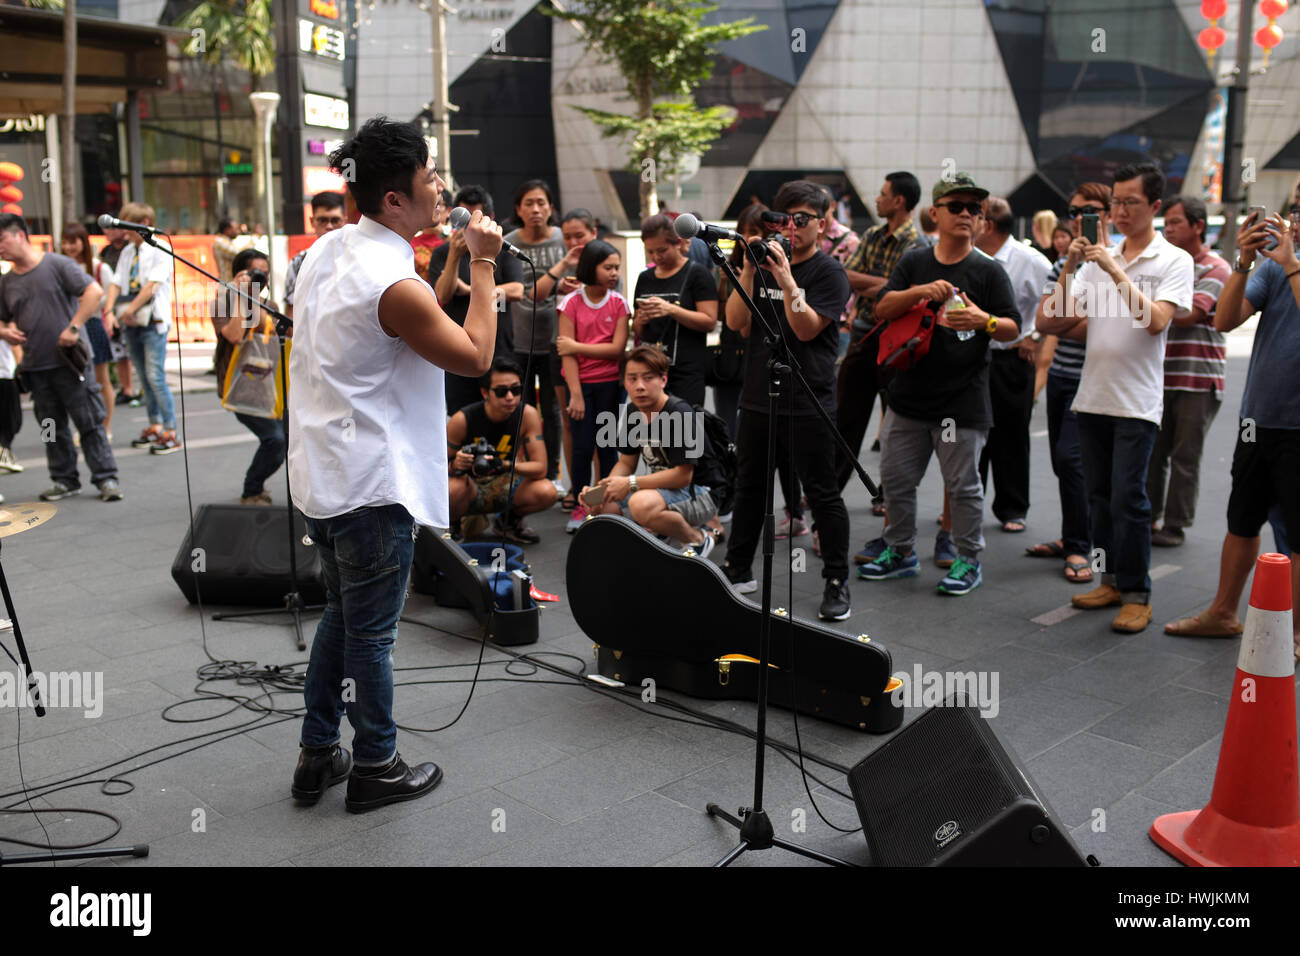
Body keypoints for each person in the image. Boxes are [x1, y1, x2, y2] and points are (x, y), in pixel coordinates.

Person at [287, 116, 504, 812]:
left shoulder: (327, 251)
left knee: (341, 620)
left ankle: (319, 752)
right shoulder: (394, 281)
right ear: (392, 199)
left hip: (324, 475)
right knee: (371, 636)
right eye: (430, 177)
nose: (440, 187)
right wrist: (482, 263)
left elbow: (398, 333)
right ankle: (377, 763)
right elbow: (474, 356)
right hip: (371, 484)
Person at [1037, 162, 1193, 633]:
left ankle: (1137, 592)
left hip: (1137, 402)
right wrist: (1072, 263)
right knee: (1098, 497)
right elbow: (1049, 322)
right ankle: (1107, 580)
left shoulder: (1172, 260)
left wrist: (1112, 268)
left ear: (1155, 207)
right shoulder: (1096, 260)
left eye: (1130, 203)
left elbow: (1157, 321)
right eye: (1116, 203)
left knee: (1130, 498)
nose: (1120, 212)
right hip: (1092, 397)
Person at [857, 173, 1021, 595]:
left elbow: (1012, 328)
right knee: (895, 480)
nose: (967, 214)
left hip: (962, 400)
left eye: (975, 209)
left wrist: (982, 320)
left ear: (983, 220)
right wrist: (919, 292)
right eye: (957, 206)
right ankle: (900, 551)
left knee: (963, 487)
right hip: (908, 393)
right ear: (936, 214)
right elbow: (882, 308)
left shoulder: (989, 271)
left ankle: (968, 560)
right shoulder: (916, 261)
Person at [1165, 208, 1300, 650]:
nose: (1294, 223)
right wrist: (1243, 262)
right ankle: (1223, 613)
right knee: (1242, 521)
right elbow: (1223, 320)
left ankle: (1294, 633)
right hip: (1258, 420)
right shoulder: (1274, 268)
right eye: (1294, 213)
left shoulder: (1288, 266)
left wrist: (1292, 264)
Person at [720, 180, 854, 621]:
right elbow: (738, 323)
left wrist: (783, 275)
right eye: (784, 219)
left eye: (802, 220)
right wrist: (747, 268)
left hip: (809, 397)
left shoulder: (828, 272)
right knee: (750, 487)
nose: (791, 228)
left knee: (821, 492)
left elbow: (806, 328)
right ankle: (737, 568)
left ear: (823, 223)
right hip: (759, 394)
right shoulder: (759, 267)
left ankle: (836, 579)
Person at [0, 213, 122, 502]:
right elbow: (2, 320)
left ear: (20, 235)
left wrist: (74, 327)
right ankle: (65, 479)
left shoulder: (57, 265)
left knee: (89, 421)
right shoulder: (6, 282)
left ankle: (107, 479)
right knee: (50, 427)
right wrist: (5, 333)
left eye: (1, 239)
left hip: (70, 362)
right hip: (36, 366)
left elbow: (94, 291)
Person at [1027, 183, 1112, 583]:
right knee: (1064, 465)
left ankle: (1082, 547)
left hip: (1095, 380)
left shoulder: (1118, 262)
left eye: (1090, 210)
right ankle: (1073, 535)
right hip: (1062, 374)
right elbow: (1047, 321)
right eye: (1075, 210)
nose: (1080, 218)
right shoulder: (1063, 262)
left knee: (1071, 459)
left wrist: (1076, 321)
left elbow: (1112, 325)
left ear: (1110, 214)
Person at [838, 171, 927, 520]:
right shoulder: (874, 235)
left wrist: (886, 289)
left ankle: (888, 497)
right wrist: (891, 287)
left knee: (896, 428)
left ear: (899, 201)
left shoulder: (916, 244)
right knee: (845, 420)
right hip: (863, 337)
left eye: (883, 193)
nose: (877, 199)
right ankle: (828, 493)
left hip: (897, 344)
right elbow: (846, 275)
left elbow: (904, 295)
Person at [1147, 195, 1230, 547]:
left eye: (1177, 222)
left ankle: (1176, 524)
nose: (1169, 228)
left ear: (1198, 225)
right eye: (1166, 222)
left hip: (1198, 378)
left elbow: (1191, 314)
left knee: (1184, 455)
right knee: (1153, 452)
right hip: (1160, 376)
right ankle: (1147, 515)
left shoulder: (1216, 267)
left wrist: (1150, 310)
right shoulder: (1167, 264)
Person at [586, 345, 718, 556]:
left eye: (648, 378)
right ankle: (661, 528)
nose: (640, 386)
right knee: (605, 507)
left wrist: (629, 483)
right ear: (625, 382)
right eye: (632, 378)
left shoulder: (679, 412)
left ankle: (698, 539)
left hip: (701, 493)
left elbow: (684, 476)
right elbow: (626, 462)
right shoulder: (632, 411)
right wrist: (603, 490)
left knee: (640, 504)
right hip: (665, 488)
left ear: (663, 380)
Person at [973, 196, 1052, 534]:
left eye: (973, 215)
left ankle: (1012, 508)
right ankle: (965, 505)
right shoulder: (969, 256)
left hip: (1011, 358)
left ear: (988, 224)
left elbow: (1056, 300)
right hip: (973, 357)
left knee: (1011, 434)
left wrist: (1035, 336)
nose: (967, 221)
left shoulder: (1030, 260)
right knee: (970, 433)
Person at [429, 184, 524, 413]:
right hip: (457, 350)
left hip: (498, 350)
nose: (468, 225)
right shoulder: (443, 252)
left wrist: (473, 290)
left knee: (501, 413)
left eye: (475, 217)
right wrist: (454, 255)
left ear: (489, 218)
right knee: (461, 414)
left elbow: (516, 290)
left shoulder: (499, 249)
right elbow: (442, 294)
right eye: (463, 218)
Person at [557, 239, 629, 532]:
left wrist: (577, 344)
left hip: (610, 385)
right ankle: (580, 504)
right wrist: (575, 394)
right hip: (580, 387)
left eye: (617, 268)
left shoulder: (619, 303)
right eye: (608, 267)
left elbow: (617, 350)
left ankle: (604, 505)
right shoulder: (570, 303)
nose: (614, 273)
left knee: (608, 448)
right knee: (582, 448)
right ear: (591, 267)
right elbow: (566, 353)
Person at [446, 357, 557, 543]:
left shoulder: (527, 415)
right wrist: (456, 465)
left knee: (547, 491)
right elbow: (435, 467)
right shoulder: (462, 419)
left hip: (505, 482)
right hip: (469, 487)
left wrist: (503, 464)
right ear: (485, 392)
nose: (510, 397)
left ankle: (508, 522)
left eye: (516, 390)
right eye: (501, 391)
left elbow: (540, 468)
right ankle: (454, 524)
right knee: (452, 488)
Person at [104, 202, 182, 455]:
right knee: (145, 378)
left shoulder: (160, 248)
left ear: (144, 224)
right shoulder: (128, 252)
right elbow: (117, 282)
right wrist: (110, 310)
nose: (125, 231)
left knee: (155, 376)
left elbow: (152, 286)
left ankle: (170, 430)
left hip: (152, 320)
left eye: (130, 225)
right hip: (131, 322)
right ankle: (155, 425)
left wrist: (127, 310)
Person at [504, 181, 568, 486]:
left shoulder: (563, 239)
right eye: (528, 203)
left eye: (542, 203)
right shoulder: (508, 242)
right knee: (521, 407)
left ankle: (553, 473)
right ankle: (525, 471)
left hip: (557, 341)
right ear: (518, 209)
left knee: (553, 411)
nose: (536, 209)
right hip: (519, 340)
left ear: (551, 207)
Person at [212, 247, 286, 506]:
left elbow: (284, 339)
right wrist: (244, 297)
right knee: (275, 440)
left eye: (263, 274)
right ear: (237, 275)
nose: (259, 278)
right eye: (253, 272)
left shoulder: (271, 307)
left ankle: (259, 488)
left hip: (269, 385)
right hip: (239, 385)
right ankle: (251, 490)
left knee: (287, 440)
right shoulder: (224, 300)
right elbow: (234, 335)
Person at [632, 213, 718, 407]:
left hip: (685, 371)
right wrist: (641, 321)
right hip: (650, 371)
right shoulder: (645, 278)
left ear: (678, 243)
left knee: (684, 431)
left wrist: (671, 309)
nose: (656, 257)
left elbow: (709, 321)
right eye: (650, 251)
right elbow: (637, 329)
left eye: (662, 250)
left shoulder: (697, 274)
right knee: (652, 433)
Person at [60, 222, 118, 439]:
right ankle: (83, 426)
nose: (69, 247)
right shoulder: (60, 267)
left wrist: (88, 301)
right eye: (65, 242)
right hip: (68, 328)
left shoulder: (98, 267)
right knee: (76, 381)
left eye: (73, 241)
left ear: (83, 242)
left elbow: (108, 295)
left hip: (93, 326)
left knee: (101, 380)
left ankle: (106, 425)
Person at [284, 191, 347, 320]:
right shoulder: (298, 263)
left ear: (344, 221)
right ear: (312, 222)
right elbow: (291, 313)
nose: (329, 226)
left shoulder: (356, 258)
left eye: (335, 220)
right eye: (322, 220)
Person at [98, 224, 139, 407]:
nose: (108, 232)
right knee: (120, 351)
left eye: (112, 228)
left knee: (134, 350)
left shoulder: (132, 250)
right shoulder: (106, 252)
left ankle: (140, 388)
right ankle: (126, 389)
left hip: (133, 304)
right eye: (107, 230)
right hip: (114, 305)